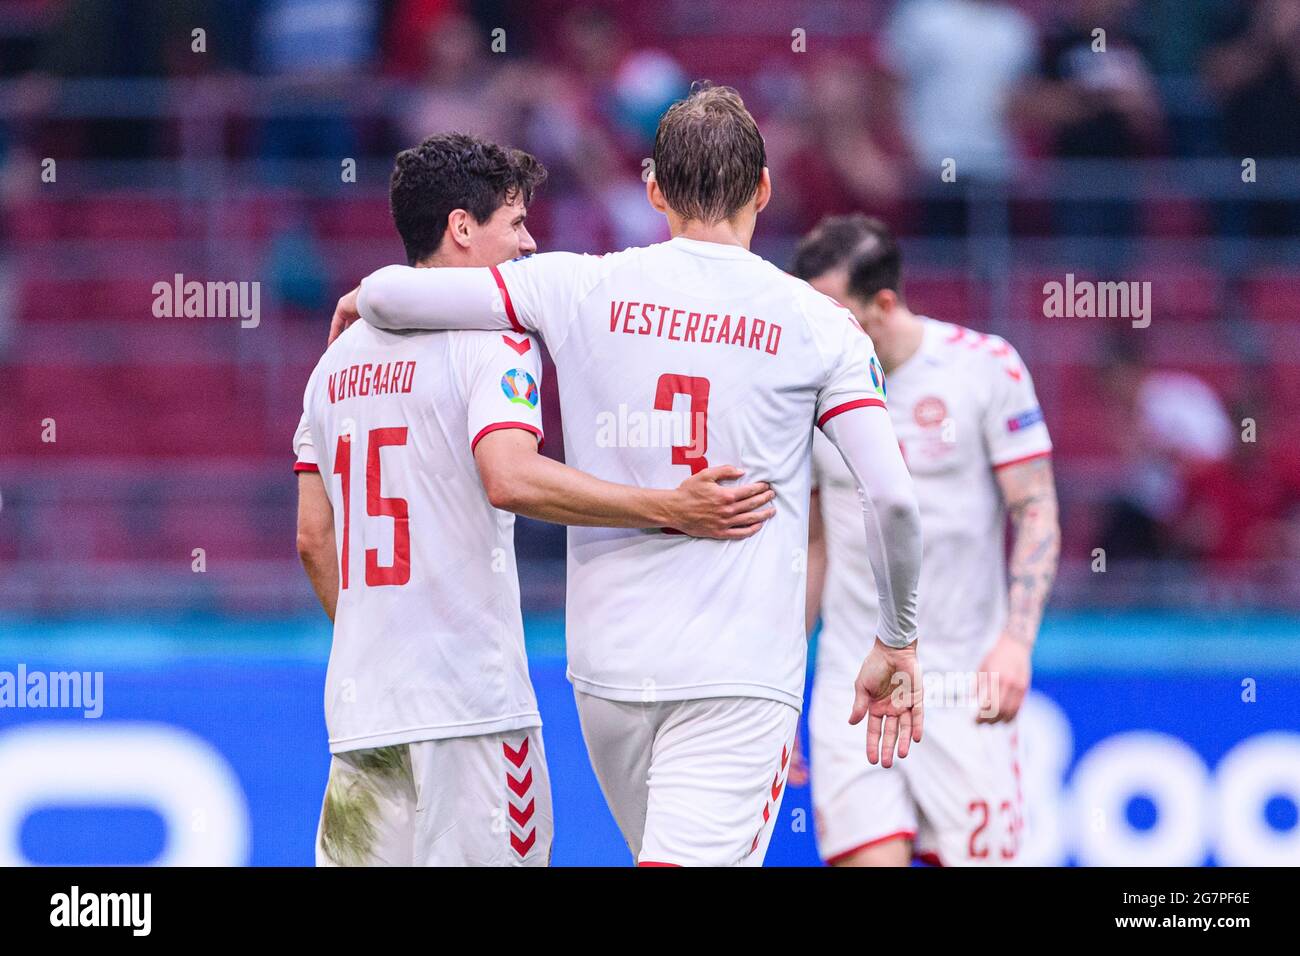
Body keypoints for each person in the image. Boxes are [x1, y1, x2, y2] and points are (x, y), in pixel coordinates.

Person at [328, 83, 925, 867]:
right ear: (763, 189)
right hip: (736, 676)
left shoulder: (578, 285)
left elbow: (387, 291)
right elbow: (893, 499)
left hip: (607, 677)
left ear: (654, 192)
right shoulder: (820, 325)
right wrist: (897, 639)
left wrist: (367, 304)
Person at [294, 132, 774, 866]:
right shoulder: (493, 342)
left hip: (365, 712)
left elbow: (312, 538)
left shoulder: (334, 363)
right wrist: (668, 507)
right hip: (471, 710)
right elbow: (511, 477)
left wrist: (377, 644)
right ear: (462, 228)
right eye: (515, 223)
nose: (528, 243)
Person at [793, 214, 1059, 866]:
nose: (818, 332)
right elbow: (815, 545)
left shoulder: (986, 368)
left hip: (964, 685)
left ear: (883, 304)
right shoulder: (805, 389)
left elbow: (1035, 509)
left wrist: (1017, 643)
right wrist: (782, 682)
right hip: (855, 685)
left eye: (834, 314)